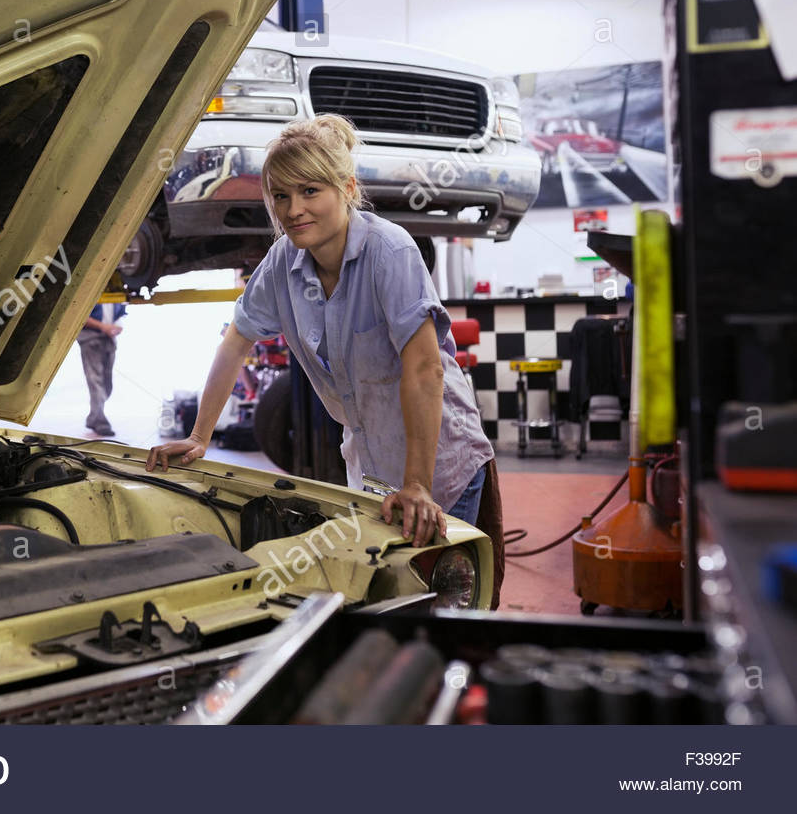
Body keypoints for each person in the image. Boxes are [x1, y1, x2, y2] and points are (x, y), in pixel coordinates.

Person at [146, 115, 503, 599]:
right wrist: (198, 436)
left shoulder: (388, 251)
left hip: (440, 465)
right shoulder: (280, 265)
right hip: (371, 473)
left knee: (440, 612)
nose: (294, 209)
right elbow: (235, 343)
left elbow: (425, 368)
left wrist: (418, 484)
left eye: (310, 191)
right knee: (386, 604)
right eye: (281, 196)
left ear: (347, 188)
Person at [78, 302, 126, 437]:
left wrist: (117, 327)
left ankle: (93, 418)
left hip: (109, 340)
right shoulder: (92, 291)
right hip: (90, 339)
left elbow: (121, 313)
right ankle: (100, 422)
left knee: (107, 385)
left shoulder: (116, 293)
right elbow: (79, 314)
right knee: (95, 382)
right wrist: (102, 326)